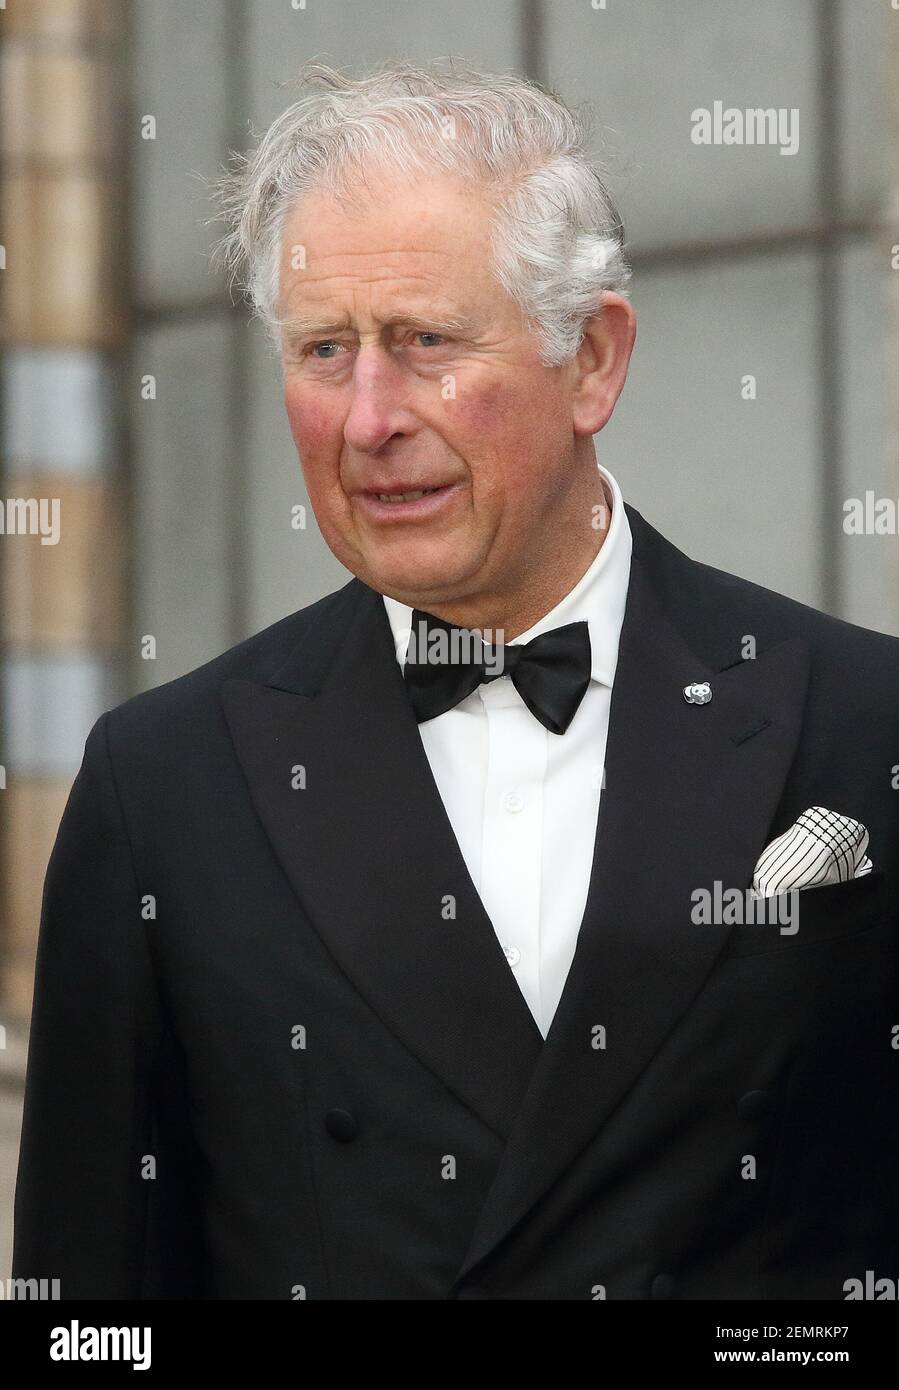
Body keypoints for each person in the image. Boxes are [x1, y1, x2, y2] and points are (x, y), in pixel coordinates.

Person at [13, 59, 899, 1300]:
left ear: (590, 360)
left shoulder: (865, 726)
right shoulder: (160, 788)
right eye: (326, 350)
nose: (368, 416)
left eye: (425, 342)